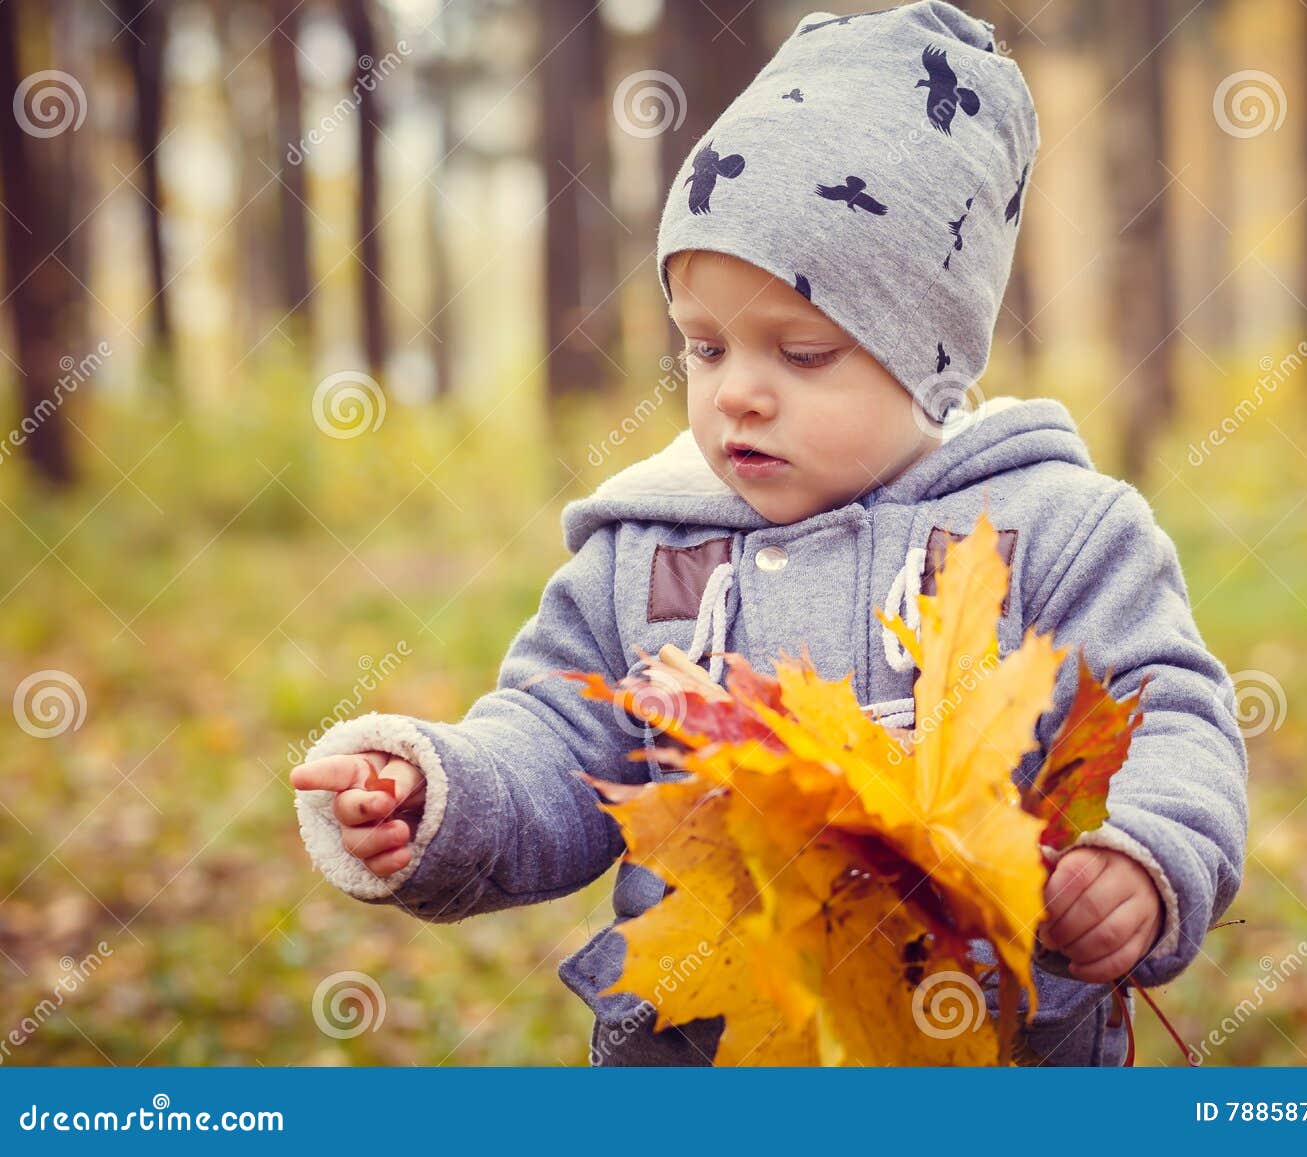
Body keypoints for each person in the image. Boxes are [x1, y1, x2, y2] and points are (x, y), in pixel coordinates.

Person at [290, 0, 1247, 1066]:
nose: (737, 394)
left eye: (800, 354)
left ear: (929, 358)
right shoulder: (645, 554)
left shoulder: (1057, 532)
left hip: (988, 1052)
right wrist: (443, 794)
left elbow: (1173, 714)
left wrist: (1147, 857)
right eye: (704, 349)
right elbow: (558, 742)